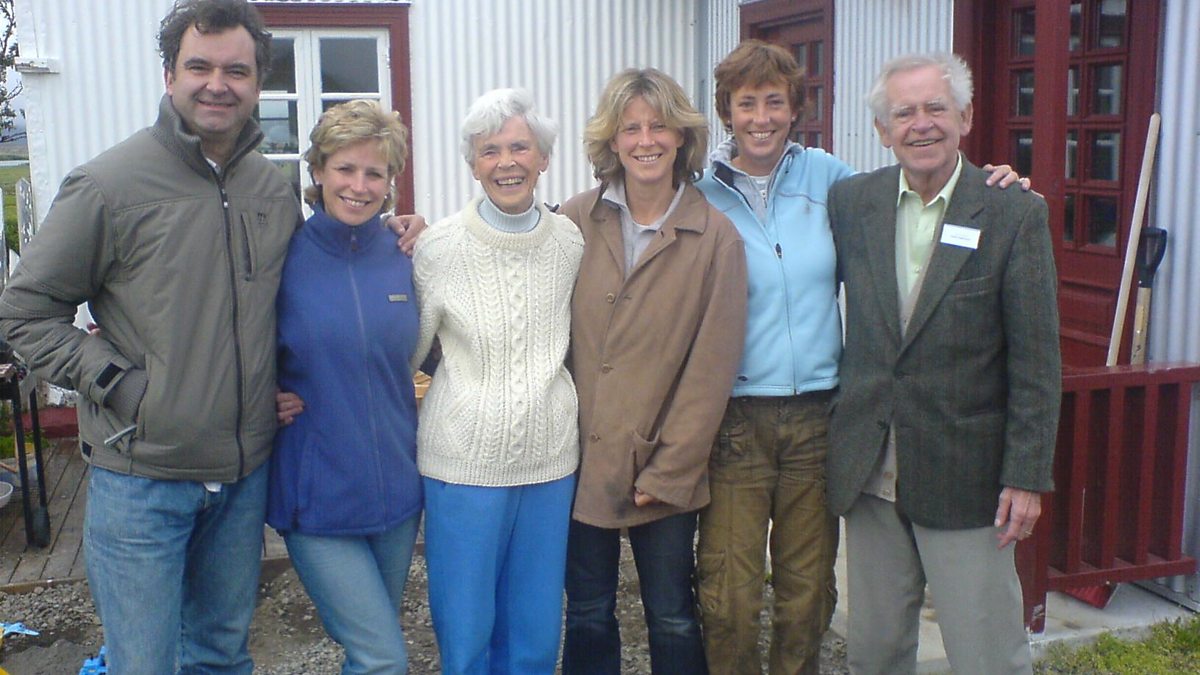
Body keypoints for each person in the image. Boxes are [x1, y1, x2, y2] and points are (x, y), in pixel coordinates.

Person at [693, 40, 1028, 675]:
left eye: (775, 102)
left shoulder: (831, 181)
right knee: (730, 596)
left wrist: (996, 183)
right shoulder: (701, 194)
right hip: (736, 419)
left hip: (821, 418)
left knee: (807, 596)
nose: (761, 118)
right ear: (726, 112)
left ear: (796, 110)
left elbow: (927, 185)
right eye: (746, 104)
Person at [0, 1, 299, 672]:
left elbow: (300, 299)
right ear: (169, 76)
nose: (217, 84)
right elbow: (22, 311)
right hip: (142, 479)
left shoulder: (271, 190)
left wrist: (393, 237)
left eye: (236, 70)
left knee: (221, 656)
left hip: (243, 476)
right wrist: (117, 382)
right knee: (144, 663)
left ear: (258, 82)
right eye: (199, 66)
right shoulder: (109, 185)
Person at [827, 52, 1060, 675]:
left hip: (968, 478)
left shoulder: (1012, 211)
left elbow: (1037, 363)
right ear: (882, 130)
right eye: (904, 113)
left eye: (936, 108)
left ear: (965, 116)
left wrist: (1027, 476)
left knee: (986, 655)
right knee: (875, 652)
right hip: (872, 471)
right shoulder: (851, 202)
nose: (921, 124)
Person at [559, 69, 747, 675]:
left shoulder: (715, 237)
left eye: (659, 126)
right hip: (580, 461)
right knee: (587, 612)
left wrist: (670, 469)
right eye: (631, 128)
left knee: (672, 616)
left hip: (663, 466)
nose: (646, 140)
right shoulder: (574, 220)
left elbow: (712, 370)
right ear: (611, 141)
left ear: (681, 136)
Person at [409, 88, 584, 674]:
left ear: (544, 158)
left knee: (535, 628)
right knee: (466, 628)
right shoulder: (436, 249)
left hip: (550, 462)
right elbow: (405, 353)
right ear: (472, 164)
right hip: (462, 465)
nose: (506, 162)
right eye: (490, 151)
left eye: (519, 147)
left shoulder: (570, 243)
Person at [267, 100, 421, 675]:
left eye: (374, 173)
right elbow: (231, 343)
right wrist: (260, 395)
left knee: (371, 648)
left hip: (399, 494)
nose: (359, 186)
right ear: (317, 171)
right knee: (382, 658)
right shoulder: (282, 258)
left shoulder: (406, 254)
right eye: (345, 169)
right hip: (318, 496)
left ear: (390, 181)